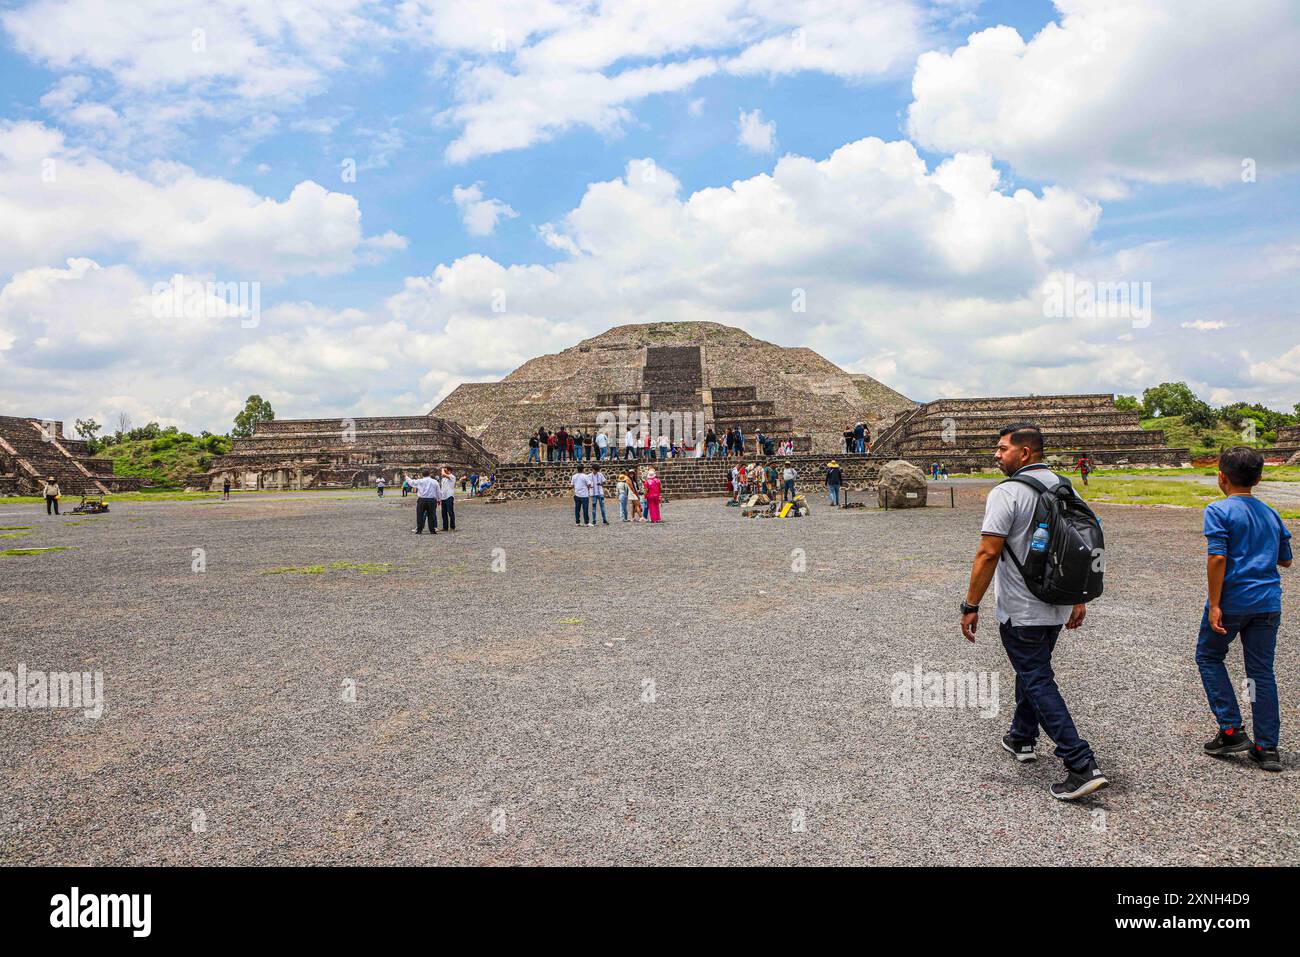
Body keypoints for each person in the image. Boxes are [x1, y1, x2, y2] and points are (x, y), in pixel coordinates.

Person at [960, 423, 1108, 801]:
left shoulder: (1006, 493)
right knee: (1033, 670)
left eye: (1002, 448)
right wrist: (1077, 598)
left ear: (1024, 453)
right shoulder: (1064, 486)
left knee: (1037, 677)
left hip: (1021, 607)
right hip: (1056, 601)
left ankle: (1080, 763)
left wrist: (970, 605)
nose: (996, 454)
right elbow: (1081, 547)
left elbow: (988, 553)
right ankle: (1022, 737)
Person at [1197, 446, 1291, 772]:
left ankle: (1231, 728)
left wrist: (1215, 604)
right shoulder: (1271, 512)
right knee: (1260, 672)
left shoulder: (1218, 510)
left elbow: (1217, 557)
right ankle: (1266, 747)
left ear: (1221, 477)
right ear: (1259, 478)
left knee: (1209, 657)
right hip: (1268, 603)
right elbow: (1286, 559)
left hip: (1233, 601)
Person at [406, 469, 440, 535]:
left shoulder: (420, 481)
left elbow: (412, 482)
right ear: (429, 474)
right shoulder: (434, 482)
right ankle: (432, 530)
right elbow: (438, 491)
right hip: (431, 500)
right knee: (431, 515)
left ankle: (419, 530)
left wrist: (406, 477)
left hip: (422, 500)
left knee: (420, 515)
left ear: (422, 474)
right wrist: (439, 499)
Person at [439, 466, 457, 531]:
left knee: (450, 512)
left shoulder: (452, 477)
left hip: (449, 496)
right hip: (443, 497)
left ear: (449, 471)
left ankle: (452, 526)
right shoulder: (443, 479)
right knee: (443, 513)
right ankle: (445, 527)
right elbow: (442, 488)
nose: (444, 471)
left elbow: (443, 474)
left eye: (446, 470)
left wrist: (442, 469)